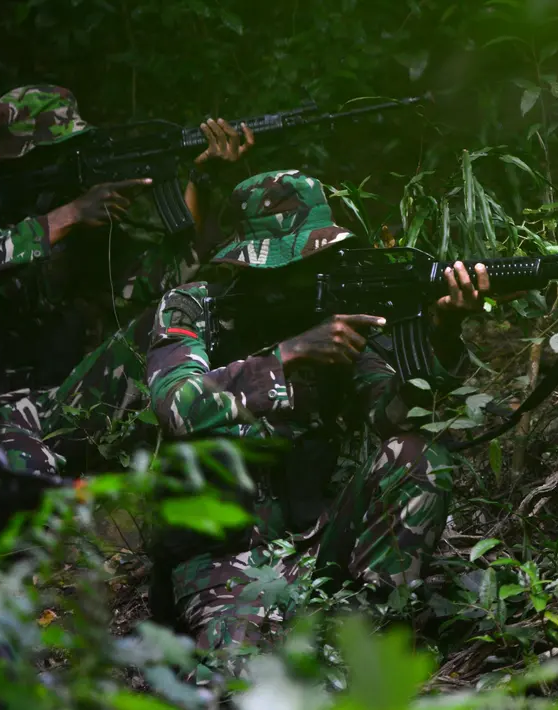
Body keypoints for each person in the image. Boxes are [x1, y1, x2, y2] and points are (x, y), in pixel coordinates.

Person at [142, 169, 494, 654]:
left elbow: (394, 418)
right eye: (291, 265)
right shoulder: (192, 307)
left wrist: (443, 332)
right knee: (238, 685)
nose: (306, 274)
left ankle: (362, 633)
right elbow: (174, 405)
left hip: (318, 541)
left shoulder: (335, 319)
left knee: (417, 455)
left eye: (317, 260)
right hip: (222, 558)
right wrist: (286, 356)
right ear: (249, 265)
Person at [0, 84, 255, 401]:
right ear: (23, 156)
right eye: (59, 151)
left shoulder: (79, 222)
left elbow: (162, 281)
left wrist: (201, 182)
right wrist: (70, 214)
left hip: (40, 402)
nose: (72, 158)